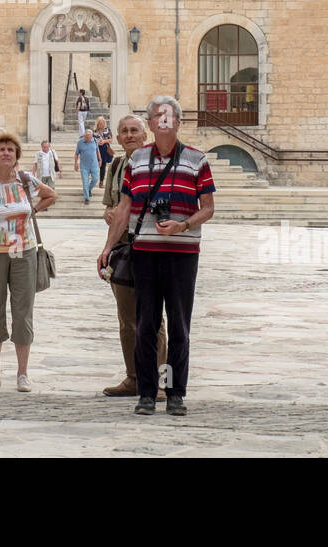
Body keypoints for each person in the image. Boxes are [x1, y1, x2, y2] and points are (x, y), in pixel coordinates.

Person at [98, 96, 215, 417]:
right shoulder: (136, 162)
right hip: (144, 253)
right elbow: (123, 209)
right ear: (151, 124)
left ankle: (175, 392)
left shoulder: (196, 160)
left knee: (179, 327)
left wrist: (183, 225)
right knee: (146, 325)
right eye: (157, 117)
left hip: (182, 255)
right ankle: (147, 392)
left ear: (177, 121)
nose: (163, 122)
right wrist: (108, 247)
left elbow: (208, 208)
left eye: (169, 116)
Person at [0, 131, 56, 392]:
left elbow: (51, 195)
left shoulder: (25, 180)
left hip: (24, 252)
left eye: (10, 149)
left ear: (16, 155)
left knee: (23, 311)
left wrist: (33, 213)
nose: (6, 153)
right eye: (1, 149)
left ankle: (22, 373)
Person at [99, 113, 165, 398]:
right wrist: (110, 218)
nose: (129, 135)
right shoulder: (116, 166)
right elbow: (109, 207)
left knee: (153, 319)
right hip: (123, 250)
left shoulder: (158, 166)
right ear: (117, 137)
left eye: (134, 130)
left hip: (152, 247)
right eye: (124, 131)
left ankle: (161, 381)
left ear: (145, 134)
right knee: (126, 319)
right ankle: (134, 377)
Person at [73, 128, 100, 204]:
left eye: (89, 137)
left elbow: (97, 151)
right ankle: (87, 198)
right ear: (84, 135)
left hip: (94, 165)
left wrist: (100, 160)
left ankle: (88, 189)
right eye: (86, 137)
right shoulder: (80, 142)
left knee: (95, 179)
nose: (87, 138)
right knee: (85, 182)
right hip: (84, 166)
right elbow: (76, 154)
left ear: (91, 136)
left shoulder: (94, 141)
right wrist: (75, 163)